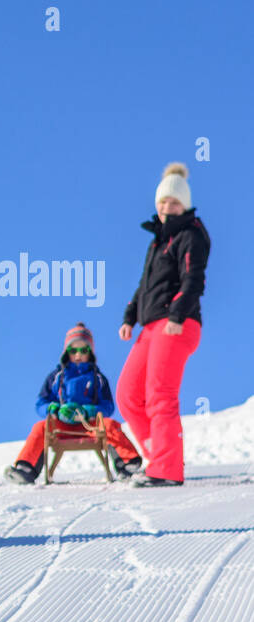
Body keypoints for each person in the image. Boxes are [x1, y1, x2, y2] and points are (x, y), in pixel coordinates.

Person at [115, 163, 209, 487]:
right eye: (162, 202)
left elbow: (193, 279)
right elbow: (144, 285)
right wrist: (130, 317)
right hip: (150, 326)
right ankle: (160, 455)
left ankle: (167, 469)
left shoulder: (191, 234)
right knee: (128, 393)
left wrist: (177, 314)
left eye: (174, 202)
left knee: (160, 394)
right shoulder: (157, 242)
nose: (167, 207)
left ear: (184, 204)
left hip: (177, 324)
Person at [4, 323, 142, 484]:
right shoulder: (56, 376)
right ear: (66, 352)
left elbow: (108, 406)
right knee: (40, 427)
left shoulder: (98, 378)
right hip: (62, 426)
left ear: (90, 352)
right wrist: (55, 409)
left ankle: (127, 464)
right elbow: (41, 403)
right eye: (73, 350)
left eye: (83, 350)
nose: (78, 355)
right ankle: (26, 469)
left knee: (110, 425)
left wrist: (89, 411)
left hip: (90, 425)